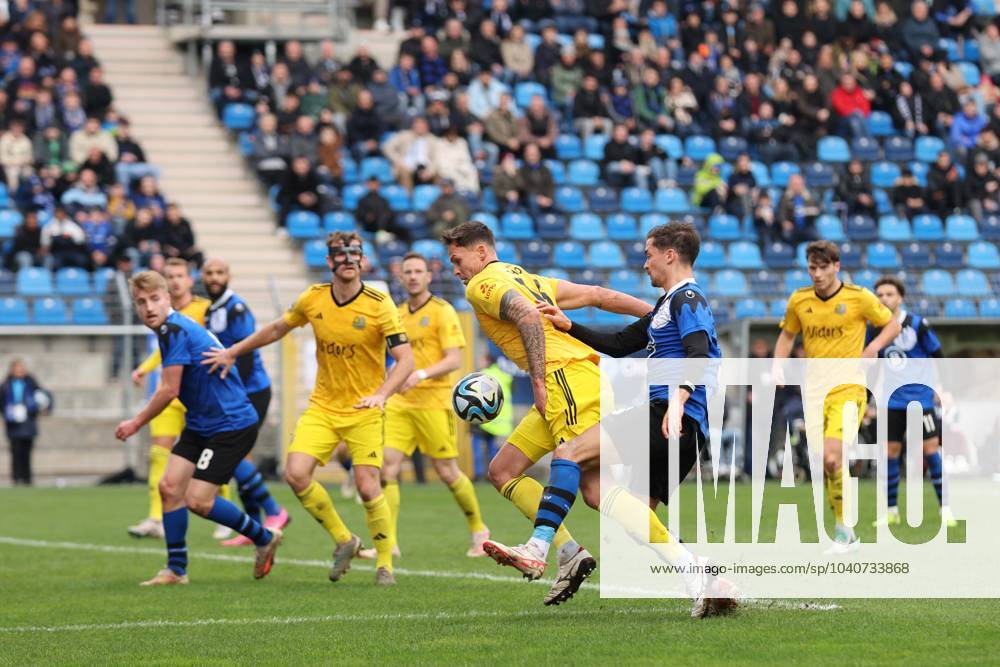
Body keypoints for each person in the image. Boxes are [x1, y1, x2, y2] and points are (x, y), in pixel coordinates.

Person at [480, 221, 737, 618]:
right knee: (631, 518)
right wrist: (570, 326)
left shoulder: (688, 298)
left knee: (568, 454)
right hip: (680, 426)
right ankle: (705, 577)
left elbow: (699, 352)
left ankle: (539, 545)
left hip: (669, 416)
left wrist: (678, 400)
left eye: (649, 255)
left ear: (670, 255)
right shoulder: (666, 305)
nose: (645, 263)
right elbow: (619, 344)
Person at [441, 221, 649, 605]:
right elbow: (598, 294)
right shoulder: (528, 278)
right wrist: (659, 314)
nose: (455, 270)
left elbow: (527, 316)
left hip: (563, 381)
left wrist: (537, 380)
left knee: (596, 489)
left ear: (481, 252)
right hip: (574, 379)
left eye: (457, 259)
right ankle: (570, 553)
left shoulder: (482, 284)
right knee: (503, 471)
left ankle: (688, 561)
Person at [202, 231, 415, 586]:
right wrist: (232, 351)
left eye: (355, 253)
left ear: (362, 260)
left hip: (364, 409)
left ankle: (384, 564)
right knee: (296, 473)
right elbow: (276, 329)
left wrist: (382, 394)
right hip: (323, 407)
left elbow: (406, 360)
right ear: (329, 261)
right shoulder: (313, 298)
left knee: (367, 486)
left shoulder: (380, 304)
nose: (348, 260)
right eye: (340, 254)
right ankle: (344, 540)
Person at [115, 271, 282, 586]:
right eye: (141, 302)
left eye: (154, 299)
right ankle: (176, 570)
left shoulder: (174, 329)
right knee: (169, 488)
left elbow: (169, 390)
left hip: (230, 424)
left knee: (198, 501)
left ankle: (263, 537)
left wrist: (136, 422)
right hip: (202, 423)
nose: (148, 307)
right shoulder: (171, 328)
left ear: (168, 298)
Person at [358, 252, 490, 561]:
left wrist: (419, 374)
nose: (414, 276)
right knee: (386, 468)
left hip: (434, 401)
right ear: (401, 277)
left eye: (419, 271)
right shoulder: (396, 314)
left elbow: (453, 360)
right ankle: (388, 542)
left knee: (447, 471)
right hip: (401, 403)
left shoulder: (443, 311)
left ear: (429, 277)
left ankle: (479, 530)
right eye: (408, 272)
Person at [773, 241, 901, 553]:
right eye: (812, 268)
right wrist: (777, 365)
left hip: (848, 388)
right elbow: (787, 334)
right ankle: (847, 530)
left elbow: (892, 324)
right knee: (827, 463)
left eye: (823, 267)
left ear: (836, 267)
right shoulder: (799, 300)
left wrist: (873, 348)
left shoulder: (859, 297)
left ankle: (843, 530)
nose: (817, 274)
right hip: (814, 392)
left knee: (833, 457)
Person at [202, 258, 290, 546]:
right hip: (234, 392)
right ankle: (253, 527)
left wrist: (234, 393)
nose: (214, 278)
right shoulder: (211, 310)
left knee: (233, 454)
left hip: (250, 392)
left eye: (219, 272)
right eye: (209, 273)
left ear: (229, 275)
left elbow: (247, 354)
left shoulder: (236, 308)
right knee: (239, 456)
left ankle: (274, 511)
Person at [127, 259, 213, 540]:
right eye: (170, 276)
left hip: (197, 395)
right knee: (159, 455)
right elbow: (165, 351)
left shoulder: (203, 310)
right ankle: (156, 517)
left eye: (180, 276)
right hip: (168, 395)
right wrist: (145, 368)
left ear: (190, 280)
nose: (175, 281)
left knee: (209, 458)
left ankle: (224, 515)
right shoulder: (161, 317)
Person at [868, 276, 956, 529]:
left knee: (931, 451)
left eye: (889, 294)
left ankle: (945, 509)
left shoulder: (917, 324)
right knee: (890, 453)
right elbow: (873, 365)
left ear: (900, 298)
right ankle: (891, 511)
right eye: (880, 295)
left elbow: (939, 356)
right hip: (891, 401)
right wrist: (866, 397)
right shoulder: (874, 328)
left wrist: (946, 389)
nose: (884, 299)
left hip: (922, 399)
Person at [2, 360, 50, 486]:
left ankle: (27, 477)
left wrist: (44, 408)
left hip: (28, 421)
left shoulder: (31, 383)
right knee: (15, 450)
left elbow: (43, 397)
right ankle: (16, 477)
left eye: (21, 368)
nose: (19, 371)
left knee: (26, 451)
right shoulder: (6, 385)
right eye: (17, 369)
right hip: (13, 422)